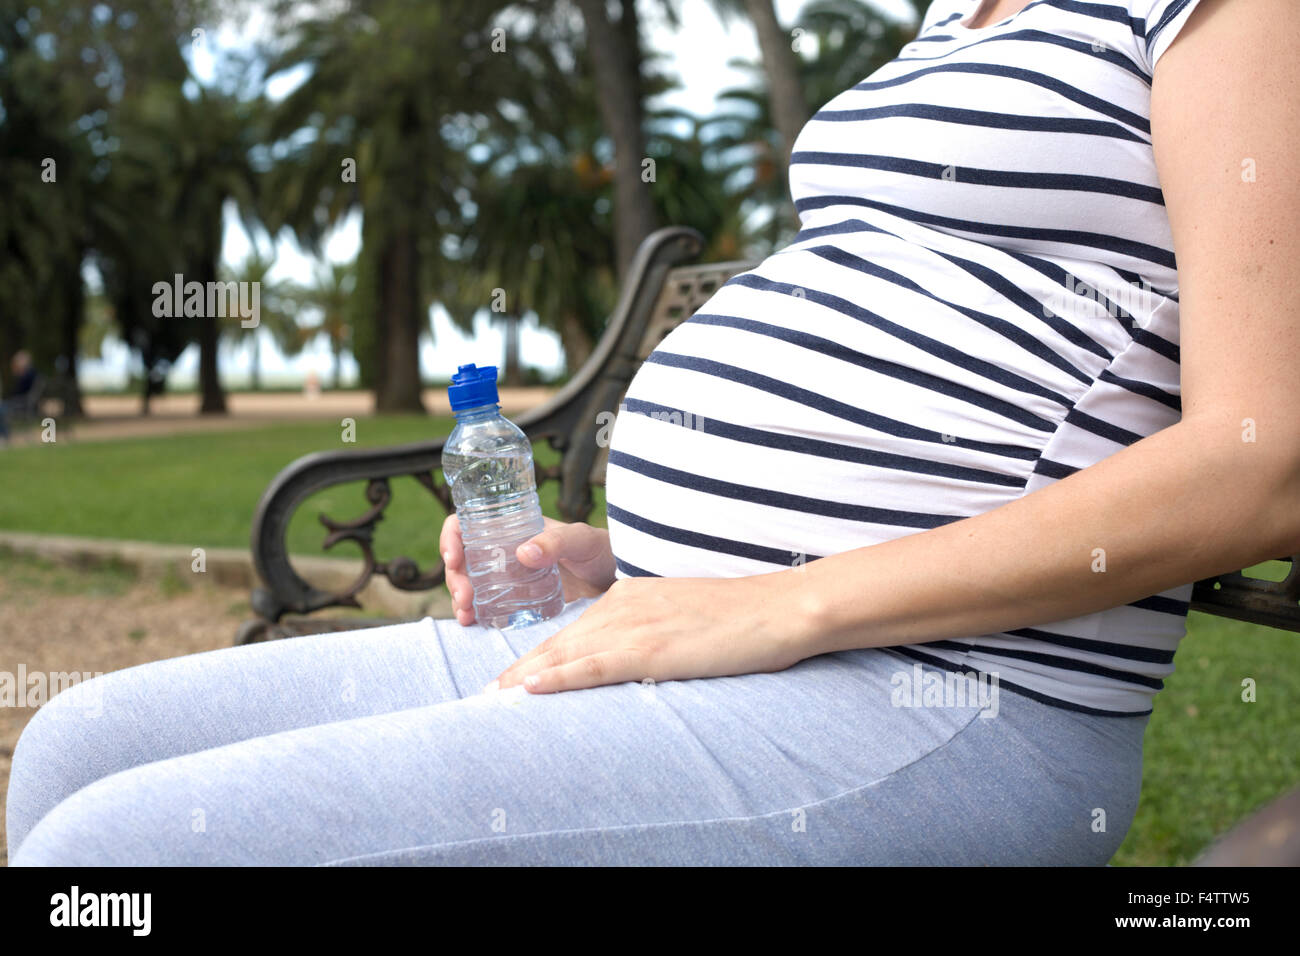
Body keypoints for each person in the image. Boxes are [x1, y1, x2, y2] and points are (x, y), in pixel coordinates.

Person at [8, 0, 1297, 865]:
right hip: (686, 635)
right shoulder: (957, 18)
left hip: (944, 695)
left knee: (118, 856)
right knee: (77, 747)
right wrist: (627, 564)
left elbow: (1267, 456)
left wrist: (783, 606)